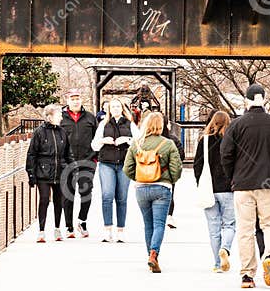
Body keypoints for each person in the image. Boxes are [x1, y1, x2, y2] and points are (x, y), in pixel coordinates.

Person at [221, 83, 270, 289]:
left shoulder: (236, 125)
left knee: (245, 229)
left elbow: (225, 154)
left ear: (247, 100)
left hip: (243, 184)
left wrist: (233, 177)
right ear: (264, 99)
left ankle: (247, 275)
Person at [123, 111, 183, 273]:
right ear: (161, 126)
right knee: (159, 224)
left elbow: (127, 168)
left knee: (148, 225)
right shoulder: (168, 144)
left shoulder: (136, 144)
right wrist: (169, 179)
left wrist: (139, 177)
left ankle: (150, 256)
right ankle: (154, 254)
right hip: (161, 188)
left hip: (141, 189)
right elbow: (176, 169)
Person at [92, 98, 140, 242]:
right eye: (113, 107)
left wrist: (127, 139)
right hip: (106, 163)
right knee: (107, 195)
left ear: (122, 108)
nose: (115, 108)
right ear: (109, 109)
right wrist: (102, 141)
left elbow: (139, 142)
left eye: (118, 106)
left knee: (122, 198)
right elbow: (94, 145)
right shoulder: (103, 124)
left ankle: (121, 230)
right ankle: (107, 229)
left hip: (124, 164)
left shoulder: (130, 124)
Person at [193, 111, 235, 272]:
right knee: (229, 224)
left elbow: (197, 165)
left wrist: (200, 183)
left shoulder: (204, 141)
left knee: (213, 227)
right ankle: (226, 248)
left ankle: (217, 264)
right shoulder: (231, 141)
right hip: (228, 189)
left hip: (209, 189)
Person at [26, 104, 74, 243]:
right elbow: (32, 154)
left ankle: (57, 229)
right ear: (49, 116)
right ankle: (41, 231)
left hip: (60, 171)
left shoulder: (62, 132)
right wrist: (31, 174)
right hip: (43, 171)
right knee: (44, 199)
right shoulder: (39, 132)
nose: (61, 117)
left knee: (59, 201)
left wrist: (72, 169)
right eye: (58, 115)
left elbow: (68, 153)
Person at [60, 88, 98, 238]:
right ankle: (69, 226)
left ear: (81, 100)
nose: (75, 101)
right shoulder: (61, 118)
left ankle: (82, 222)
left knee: (86, 193)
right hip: (67, 162)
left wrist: (95, 157)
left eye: (77, 98)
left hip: (87, 161)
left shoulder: (90, 118)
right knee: (67, 195)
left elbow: (97, 138)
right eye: (72, 98)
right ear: (67, 101)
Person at [162, 117, 185, 229]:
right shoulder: (173, 140)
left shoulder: (148, 139)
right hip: (169, 172)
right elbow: (182, 155)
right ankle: (169, 216)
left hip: (152, 172)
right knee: (170, 194)